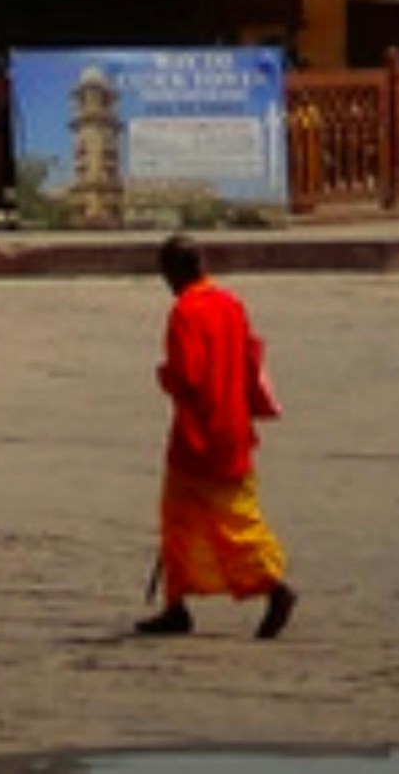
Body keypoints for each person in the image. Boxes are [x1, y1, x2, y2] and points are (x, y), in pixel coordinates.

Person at [137, 236, 294, 636]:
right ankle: (176, 603)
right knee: (221, 514)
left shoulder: (185, 312)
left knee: (210, 520)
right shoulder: (230, 303)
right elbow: (249, 358)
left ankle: (272, 585)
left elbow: (187, 376)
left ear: (172, 274)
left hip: (198, 433)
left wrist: (163, 376)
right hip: (234, 425)